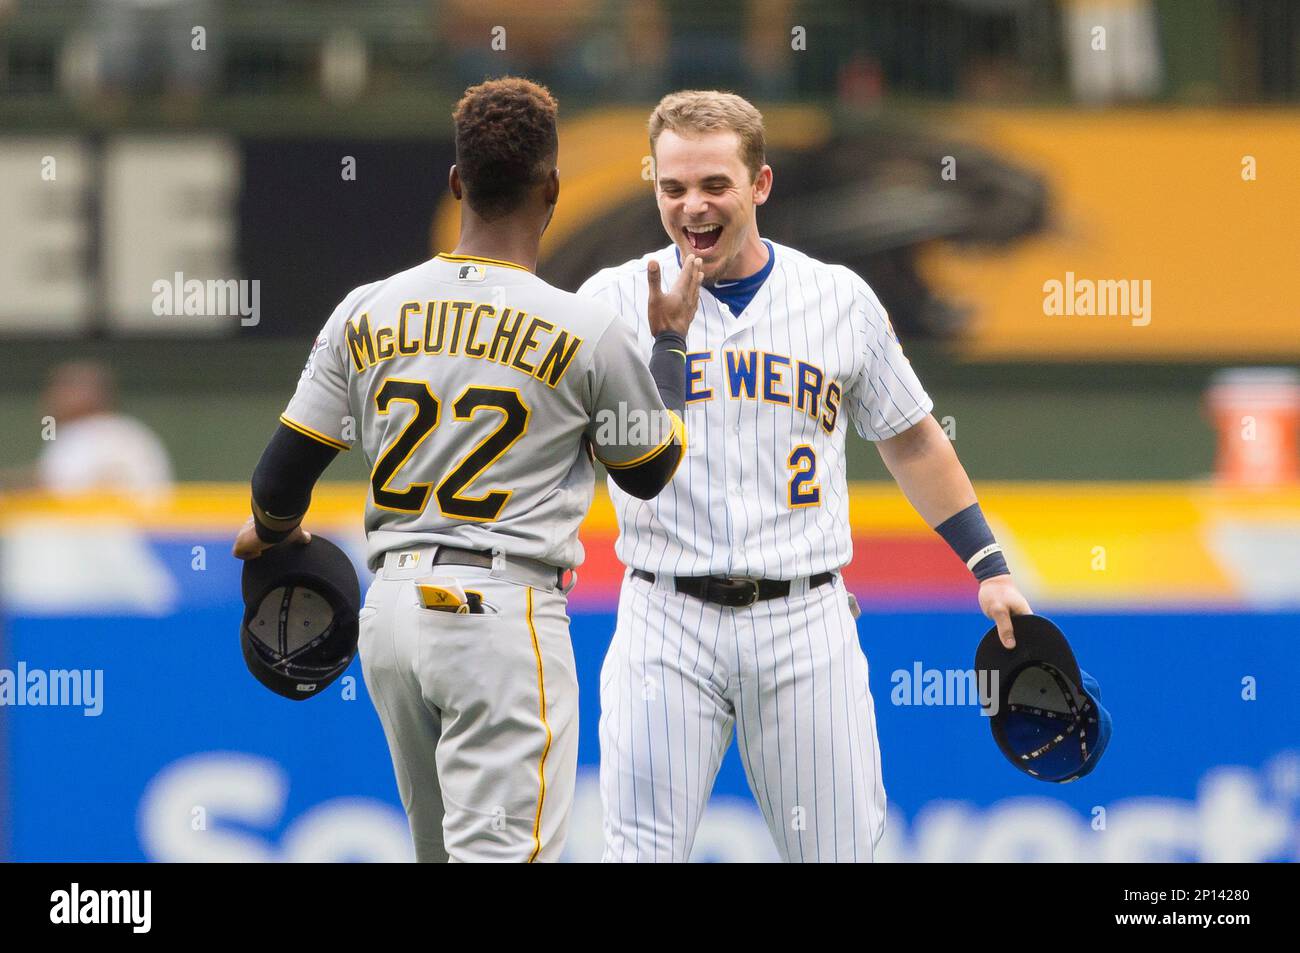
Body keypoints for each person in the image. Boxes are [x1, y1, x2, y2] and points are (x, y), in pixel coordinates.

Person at [232, 77, 698, 863]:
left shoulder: (367, 308)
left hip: (395, 617)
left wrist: (276, 532)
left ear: (458, 183)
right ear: (552, 188)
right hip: (500, 615)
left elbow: (278, 482)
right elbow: (651, 473)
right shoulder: (587, 328)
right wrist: (672, 346)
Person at [578, 90, 1032, 863]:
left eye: (715, 185)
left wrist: (987, 565)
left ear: (760, 185)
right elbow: (597, 452)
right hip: (663, 612)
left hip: (803, 615)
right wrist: (667, 353)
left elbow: (913, 440)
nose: (693, 205)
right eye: (673, 187)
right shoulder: (610, 300)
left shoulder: (838, 298)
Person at [21, 360, 173, 502]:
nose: (53, 397)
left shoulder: (110, 431)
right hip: (99, 525)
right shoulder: (77, 431)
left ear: (90, 394)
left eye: (65, 388)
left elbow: (56, 487)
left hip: (123, 527)